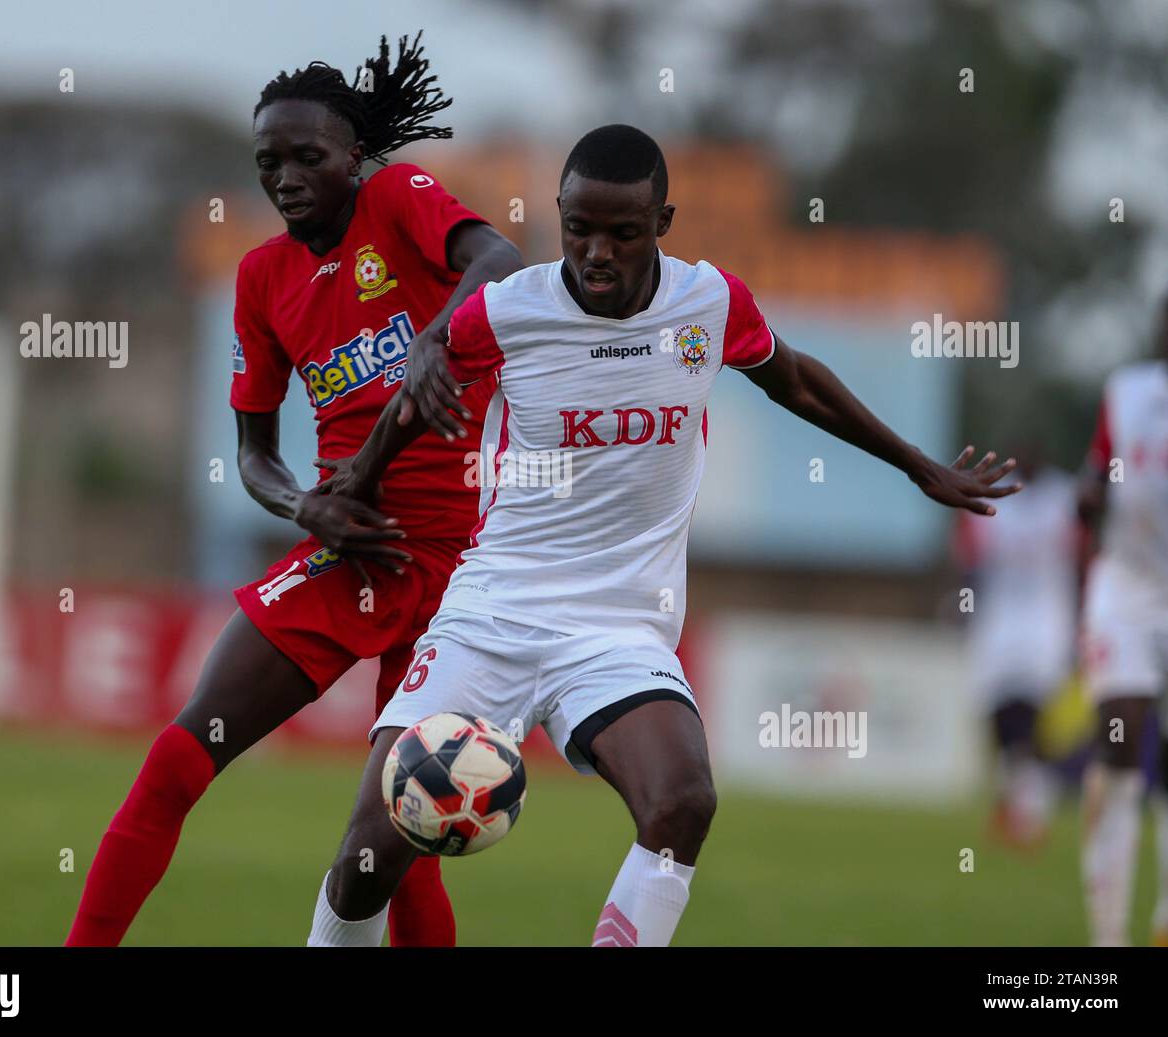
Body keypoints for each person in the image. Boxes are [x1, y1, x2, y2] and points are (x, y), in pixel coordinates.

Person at [305, 124, 1020, 947]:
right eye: (579, 228)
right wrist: (359, 476)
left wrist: (916, 465)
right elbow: (413, 395)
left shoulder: (707, 304)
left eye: (623, 232)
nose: (596, 252)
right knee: (371, 851)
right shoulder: (510, 312)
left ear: (664, 222)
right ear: (560, 215)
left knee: (683, 798)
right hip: (493, 611)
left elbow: (797, 382)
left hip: (619, 627)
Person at [65, 33, 522, 947]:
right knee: (178, 758)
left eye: (308, 156)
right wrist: (301, 505)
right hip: (350, 549)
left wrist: (433, 339)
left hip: (462, 572)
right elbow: (254, 454)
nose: (286, 176)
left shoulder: (397, 201)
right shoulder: (260, 277)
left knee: (409, 823)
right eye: (268, 160)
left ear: (355, 156)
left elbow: (501, 260)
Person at [1077, 296, 1168, 946]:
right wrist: (1091, 495)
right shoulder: (1129, 390)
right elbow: (1097, 474)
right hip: (1128, 580)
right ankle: (1110, 938)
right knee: (1123, 732)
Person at [953, 444, 1079, 847]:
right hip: (999, 615)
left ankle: (1032, 807)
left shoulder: (1066, 496)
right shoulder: (992, 492)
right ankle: (1015, 802)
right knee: (998, 715)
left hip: (1047, 615)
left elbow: (1082, 553)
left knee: (1032, 712)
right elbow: (968, 555)